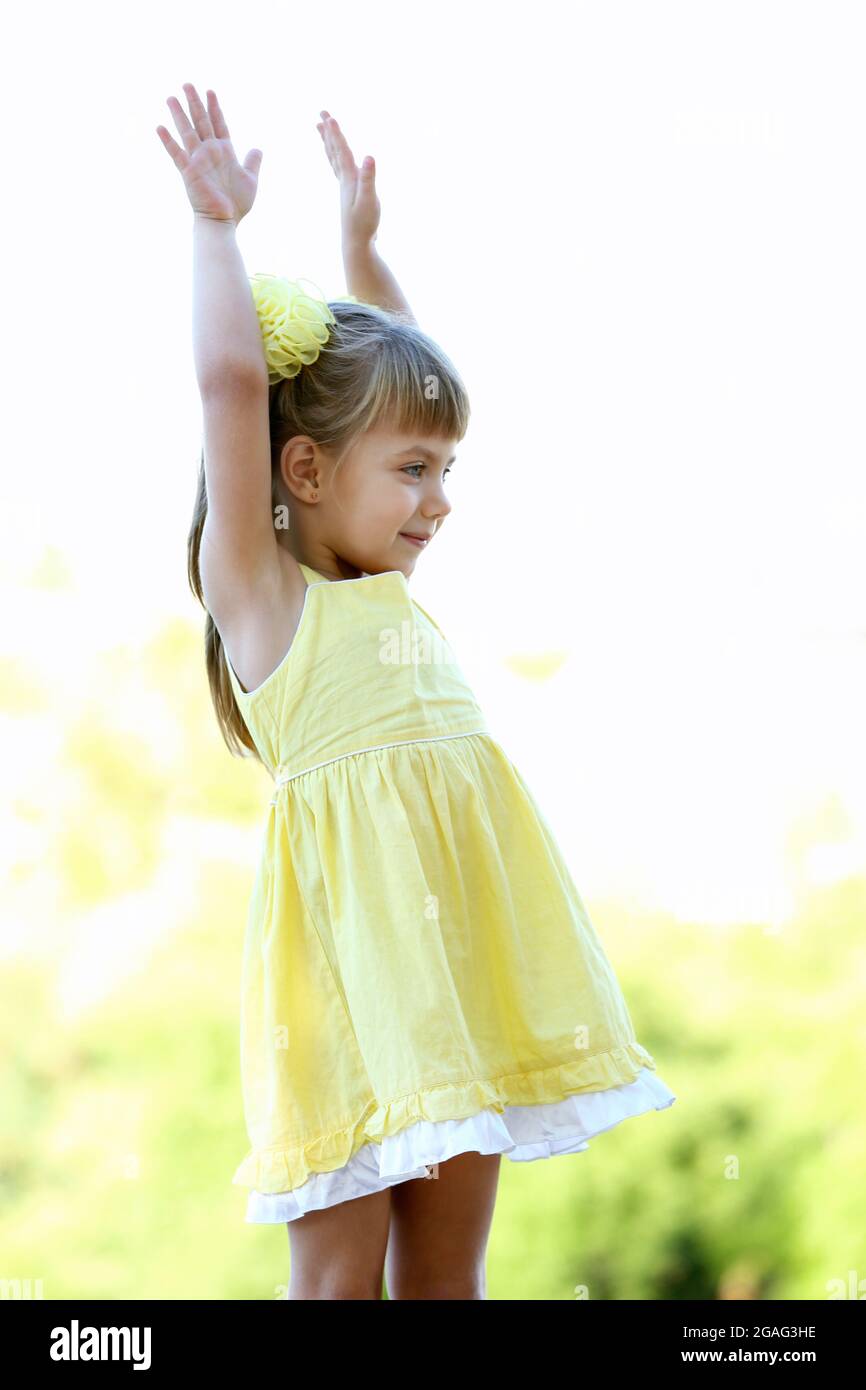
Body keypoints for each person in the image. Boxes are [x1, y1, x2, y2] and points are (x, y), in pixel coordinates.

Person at [157, 84, 676, 1301]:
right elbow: (235, 387)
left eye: (444, 467)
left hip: (452, 974)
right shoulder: (267, 600)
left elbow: (401, 382)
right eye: (411, 470)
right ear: (303, 471)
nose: (437, 496)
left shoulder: (393, 594)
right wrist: (214, 227)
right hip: (343, 981)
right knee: (341, 1284)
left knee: (448, 1282)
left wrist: (362, 253)